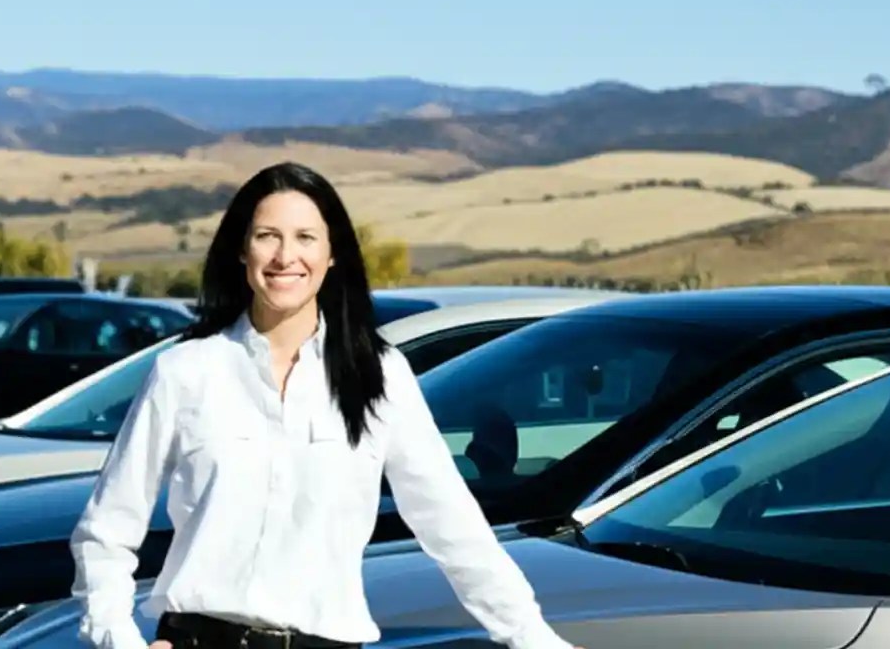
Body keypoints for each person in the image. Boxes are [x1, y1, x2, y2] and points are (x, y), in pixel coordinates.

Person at [70, 162, 579, 649]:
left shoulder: (380, 376)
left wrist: (533, 637)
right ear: (241, 250)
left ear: (333, 253)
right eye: (267, 235)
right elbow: (106, 532)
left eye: (305, 237)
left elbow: (452, 527)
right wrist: (119, 638)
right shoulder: (187, 371)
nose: (284, 256)